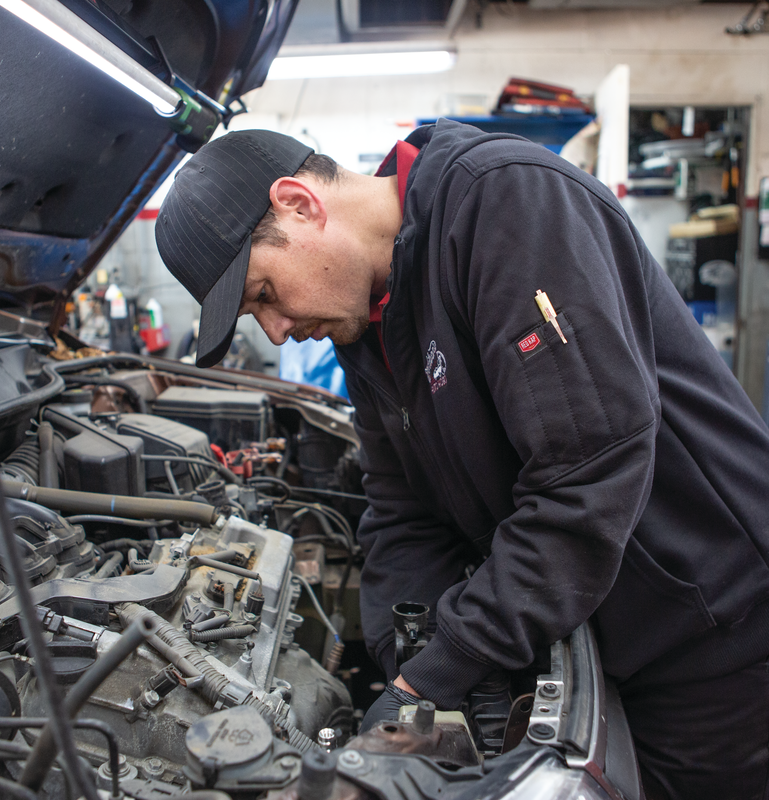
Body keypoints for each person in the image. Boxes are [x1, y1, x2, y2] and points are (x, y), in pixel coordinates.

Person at [155, 124, 769, 800]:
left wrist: (442, 668)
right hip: (594, 628)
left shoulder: (504, 202)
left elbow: (588, 477)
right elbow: (400, 508)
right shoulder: (370, 319)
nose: (274, 331)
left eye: (265, 293)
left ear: (300, 203)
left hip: (712, 636)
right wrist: (404, 670)